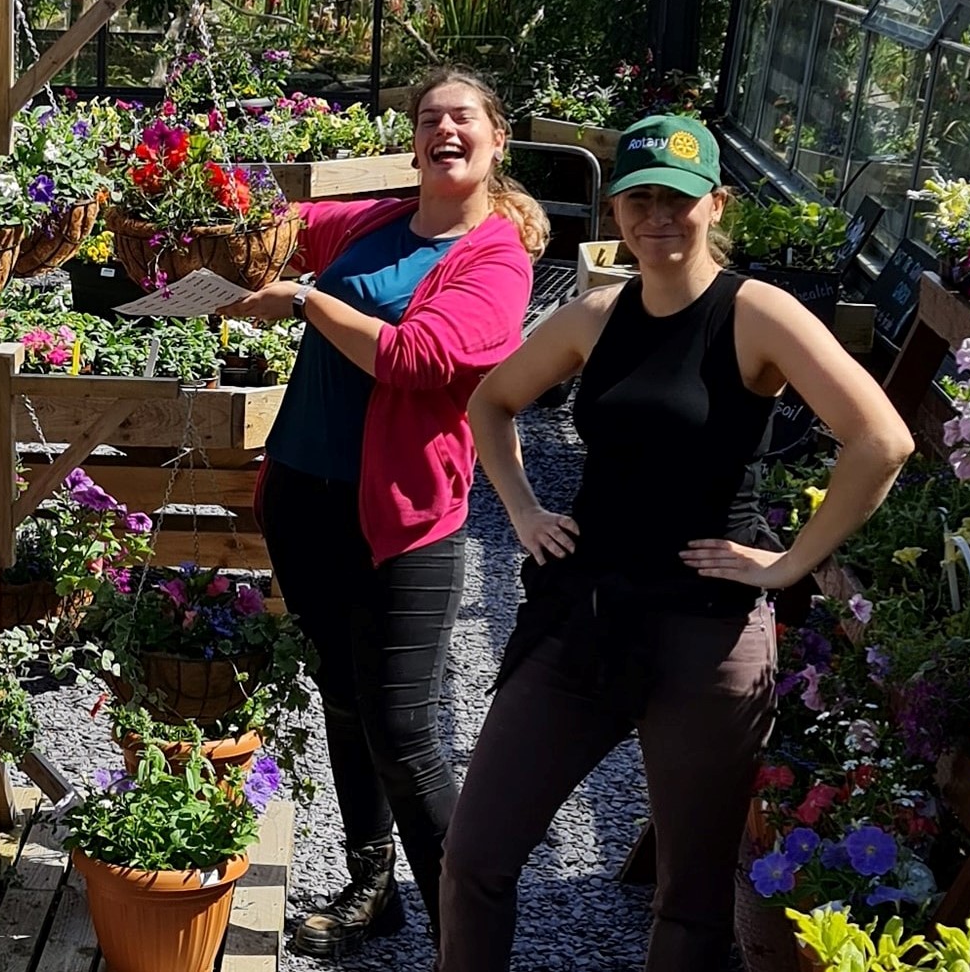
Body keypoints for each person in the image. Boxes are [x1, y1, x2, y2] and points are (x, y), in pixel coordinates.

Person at [437, 115, 915, 971]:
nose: (658, 217)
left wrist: (790, 563)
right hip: (576, 619)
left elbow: (881, 440)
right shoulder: (595, 316)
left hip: (705, 633)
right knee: (475, 859)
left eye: (678, 201)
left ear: (716, 204)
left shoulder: (755, 313)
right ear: (617, 211)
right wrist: (520, 509)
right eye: (640, 199)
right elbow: (488, 401)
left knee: (689, 903)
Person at [222, 68, 542, 953]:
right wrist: (194, 200)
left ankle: (464, 935)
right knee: (343, 699)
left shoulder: (494, 258)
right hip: (303, 496)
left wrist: (303, 300)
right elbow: (269, 230)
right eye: (430, 117)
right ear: (411, 140)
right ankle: (374, 890)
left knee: (405, 730)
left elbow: (420, 360)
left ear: (495, 141)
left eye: (463, 117)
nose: (445, 129)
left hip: (404, 521)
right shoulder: (371, 223)